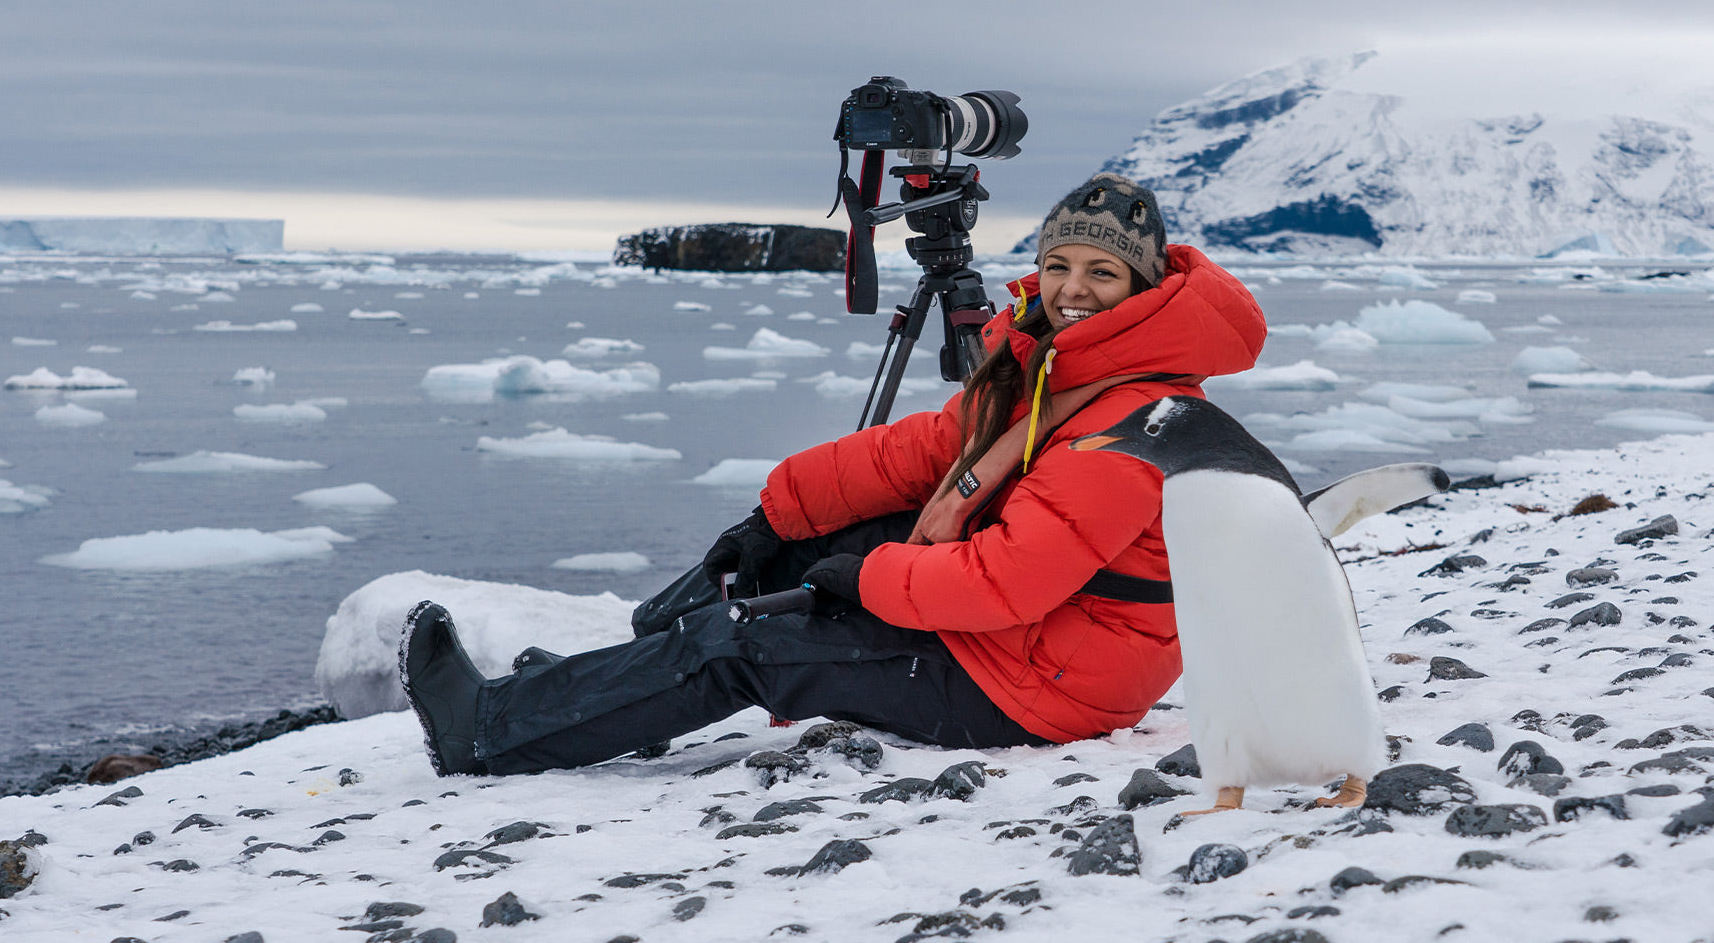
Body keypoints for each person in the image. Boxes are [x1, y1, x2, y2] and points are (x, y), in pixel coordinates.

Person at [399, 171, 1268, 777]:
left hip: (1040, 683)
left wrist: (871, 580)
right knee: (780, 559)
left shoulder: (1131, 421)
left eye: (1101, 273)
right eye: (1059, 266)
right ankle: (605, 693)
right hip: (1034, 639)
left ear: (1144, 287)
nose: (1072, 288)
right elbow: (934, 449)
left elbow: (1007, 584)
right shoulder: (1055, 363)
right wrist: (778, 513)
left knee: (747, 646)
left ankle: (485, 732)